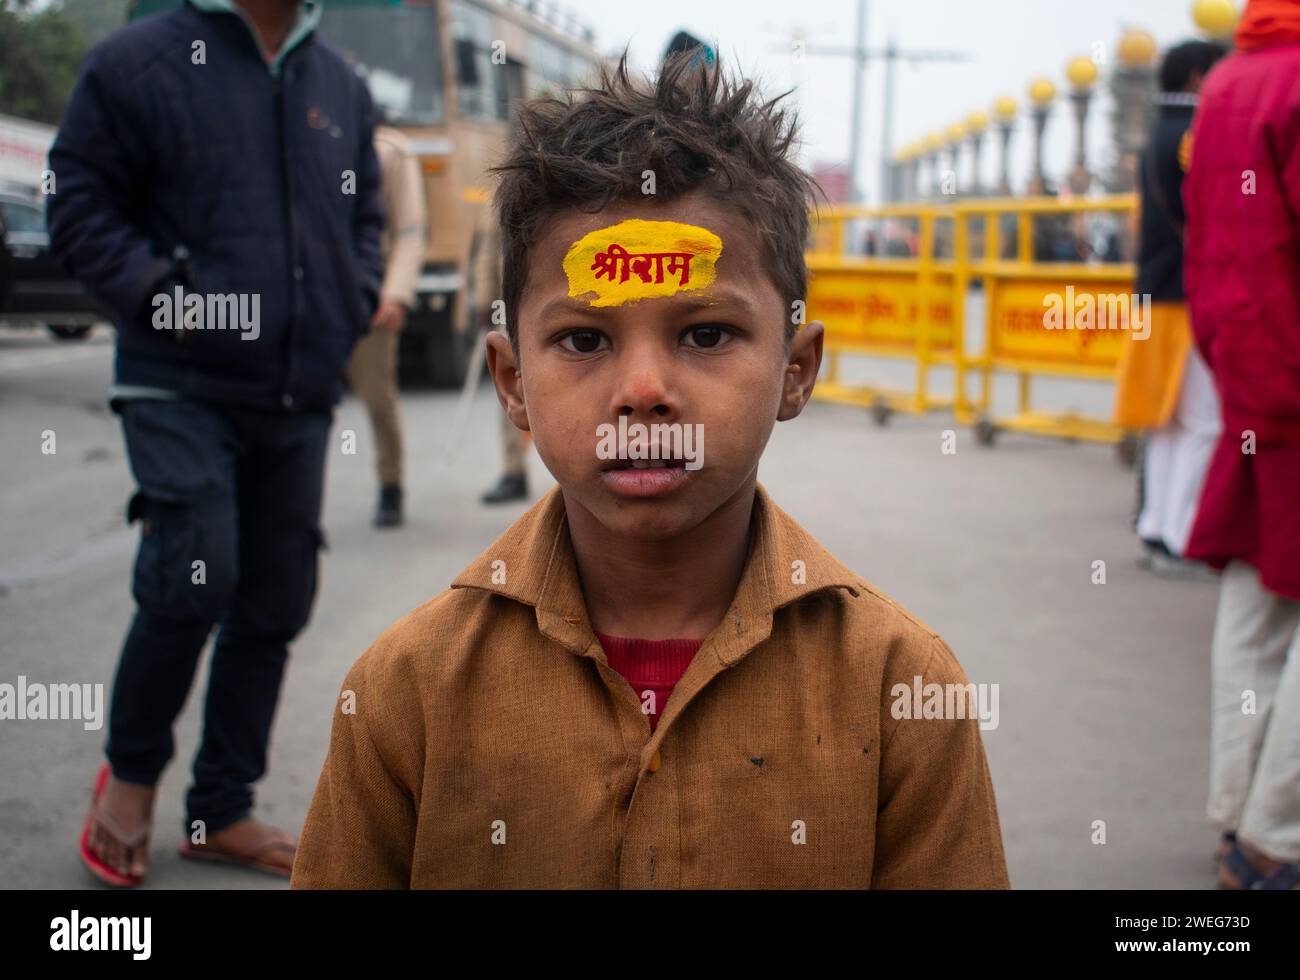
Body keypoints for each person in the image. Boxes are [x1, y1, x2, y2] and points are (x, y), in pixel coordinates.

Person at [291, 53, 1009, 889]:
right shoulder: (404, 691)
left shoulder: (905, 691)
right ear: (512, 381)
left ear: (797, 368)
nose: (643, 393)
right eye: (584, 340)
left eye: (705, 334)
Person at [47, 0, 383, 886]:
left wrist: (352, 296)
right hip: (179, 380)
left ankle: (220, 808)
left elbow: (365, 217)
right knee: (193, 573)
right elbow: (77, 202)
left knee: (276, 598)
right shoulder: (139, 63)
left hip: (298, 390)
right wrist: (168, 300)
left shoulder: (340, 85)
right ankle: (127, 784)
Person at [1181, 0, 1300, 890]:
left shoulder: (1226, 82)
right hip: (1293, 361)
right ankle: (1277, 838)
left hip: (1247, 367)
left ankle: (1233, 814)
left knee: (1257, 601)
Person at [1113, 40, 1227, 577]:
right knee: (1203, 423)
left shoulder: (1158, 132)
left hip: (1158, 294)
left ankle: (1157, 528)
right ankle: (1180, 537)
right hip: (1188, 298)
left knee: (1167, 423)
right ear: (1200, 77)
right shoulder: (1195, 133)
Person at [346, 124, 426, 528]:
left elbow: (410, 229)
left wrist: (396, 292)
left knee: (378, 398)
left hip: (370, 296)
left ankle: (390, 486)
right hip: (312, 300)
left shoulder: (389, 151)